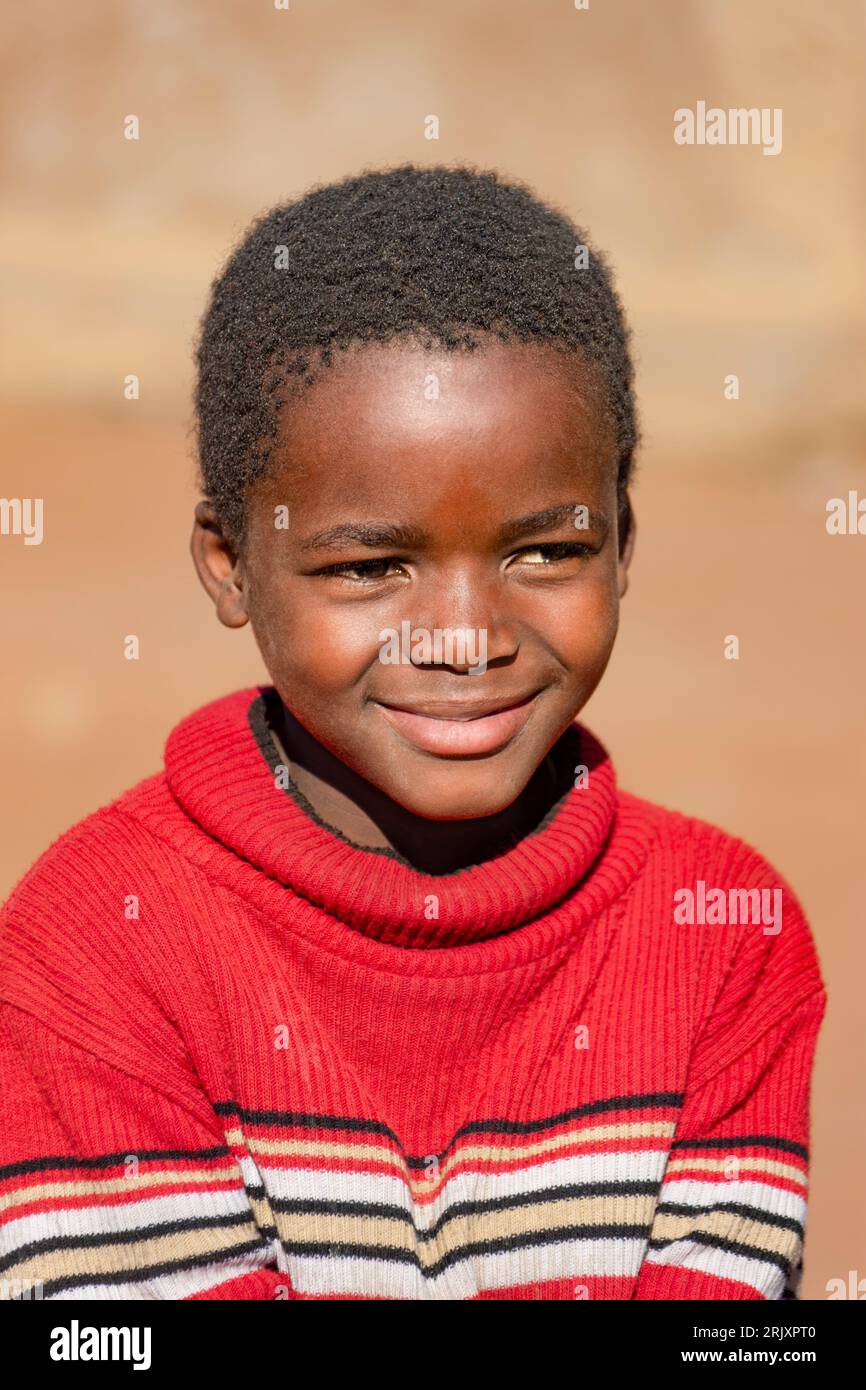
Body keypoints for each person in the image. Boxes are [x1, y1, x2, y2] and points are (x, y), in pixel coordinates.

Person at [0, 165, 826, 1301]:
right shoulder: (95, 944)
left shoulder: (725, 934)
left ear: (622, 542)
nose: (462, 637)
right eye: (367, 567)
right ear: (231, 565)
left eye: (544, 551)